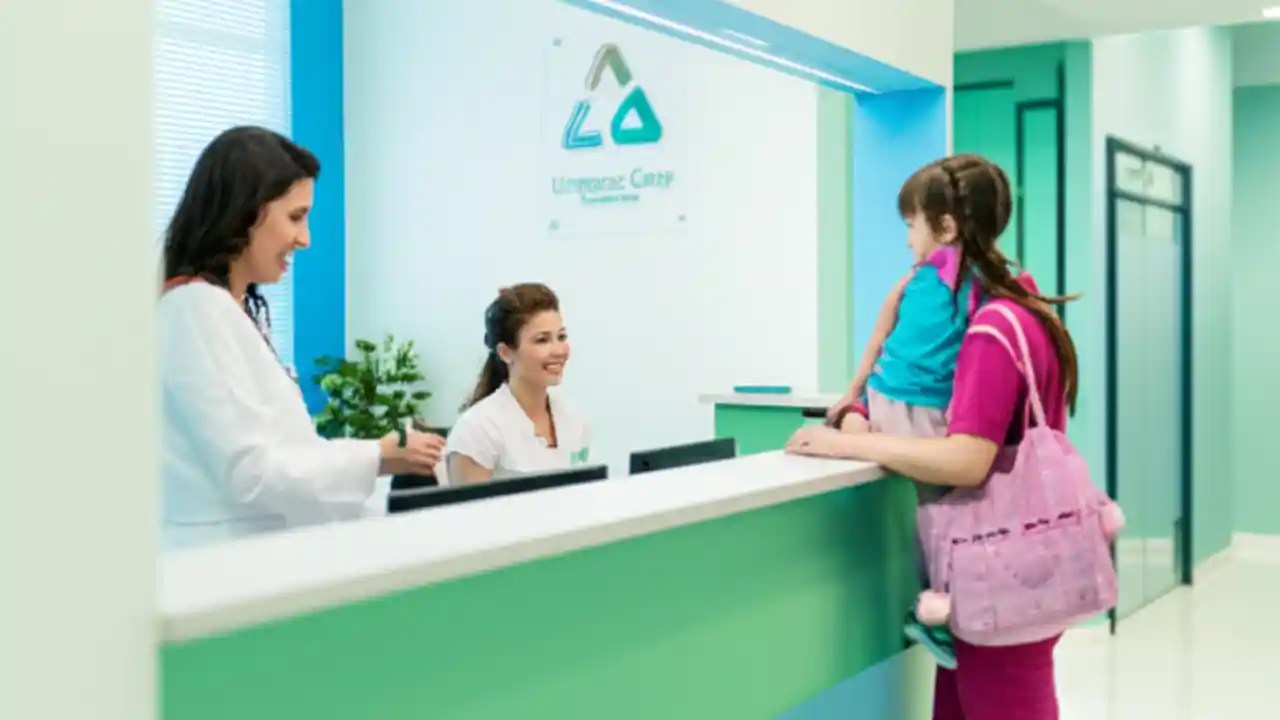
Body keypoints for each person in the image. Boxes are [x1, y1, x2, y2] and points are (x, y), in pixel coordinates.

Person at [787, 154, 1081, 719]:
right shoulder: (1019, 301)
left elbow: (969, 459)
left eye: (911, 224)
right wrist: (857, 407)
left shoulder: (992, 325)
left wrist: (847, 441)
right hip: (1011, 576)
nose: (906, 240)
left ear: (946, 228)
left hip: (999, 581)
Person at [159, 126, 444, 549]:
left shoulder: (226, 311)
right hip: (222, 566)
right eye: (295, 216)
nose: (305, 239)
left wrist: (379, 467)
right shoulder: (196, 309)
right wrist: (377, 456)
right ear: (244, 213)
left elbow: (289, 457)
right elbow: (251, 473)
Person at [444, 283, 590, 484]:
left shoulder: (572, 417)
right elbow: (469, 514)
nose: (559, 350)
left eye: (561, 337)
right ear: (505, 352)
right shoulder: (476, 430)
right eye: (542, 340)